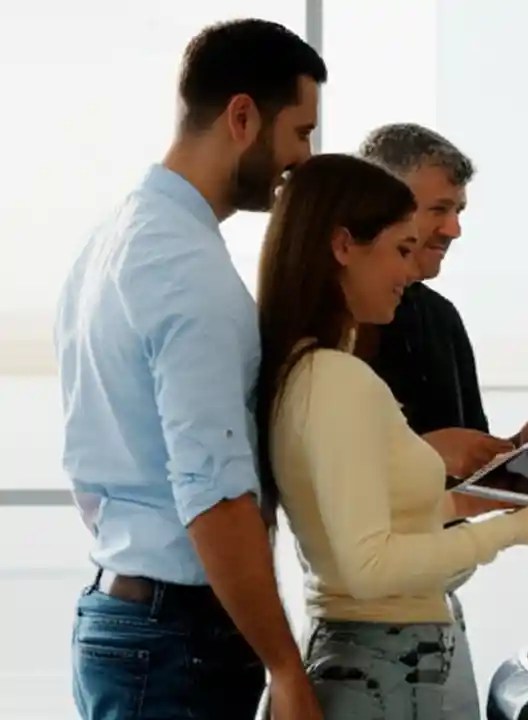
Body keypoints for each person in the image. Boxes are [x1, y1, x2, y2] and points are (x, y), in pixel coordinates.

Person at [53, 19, 327, 720]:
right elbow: (213, 494)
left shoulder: (113, 240)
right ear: (243, 117)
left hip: (126, 614)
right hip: (176, 641)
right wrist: (285, 669)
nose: (303, 156)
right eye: (299, 131)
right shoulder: (189, 274)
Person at [254, 152, 528, 719]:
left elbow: (383, 519)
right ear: (342, 247)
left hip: (383, 662)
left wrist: (506, 484)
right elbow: (369, 566)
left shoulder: (309, 371)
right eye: (400, 251)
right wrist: (515, 529)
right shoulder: (335, 380)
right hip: (386, 666)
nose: (409, 273)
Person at [355, 122, 528, 716]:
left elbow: (465, 482)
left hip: (438, 613)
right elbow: (342, 495)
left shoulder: (440, 318)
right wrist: (433, 456)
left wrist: (517, 446)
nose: (455, 229)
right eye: (440, 209)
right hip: (372, 625)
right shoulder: (334, 333)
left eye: (458, 210)